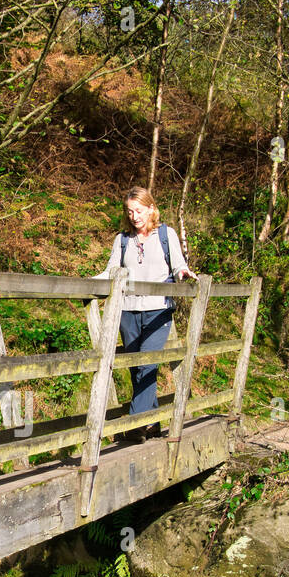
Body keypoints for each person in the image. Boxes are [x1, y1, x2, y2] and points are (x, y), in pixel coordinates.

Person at [96, 187, 194, 439]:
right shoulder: (123, 239)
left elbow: (178, 265)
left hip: (158, 311)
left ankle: (133, 424)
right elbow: (111, 271)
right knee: (135, 368)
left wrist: (183, 272)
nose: (134, 216)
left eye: (138, 210)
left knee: (147, 364)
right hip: (127, 311)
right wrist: (87, 283)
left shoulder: (165, 234)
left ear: (151, 208)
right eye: (130, 211)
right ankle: (151, 424)